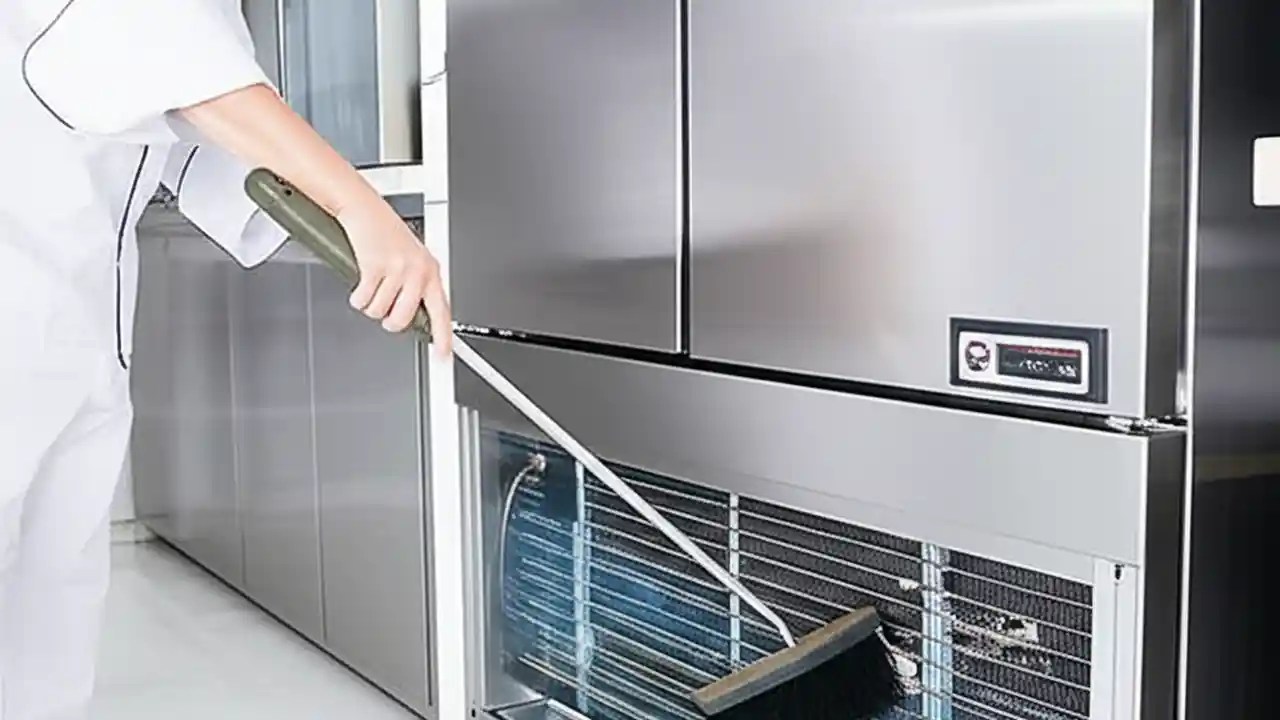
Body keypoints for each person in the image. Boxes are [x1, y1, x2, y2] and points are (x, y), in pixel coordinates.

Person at [0, 1, 452, 717]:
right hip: (20, 303)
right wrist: (361, 205)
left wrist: (343, 225)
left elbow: (189, 125)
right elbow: (161, 51)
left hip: (82, 317)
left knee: (54, 598)